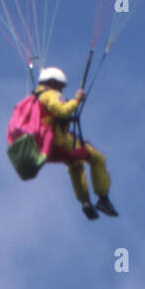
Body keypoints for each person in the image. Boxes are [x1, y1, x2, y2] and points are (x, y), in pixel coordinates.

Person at [34, 66, 117, 220]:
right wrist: (77, 100)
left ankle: (85, 202)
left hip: (45, 146)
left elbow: (53, 117)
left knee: (75, 163)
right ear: (53, 82)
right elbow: (62, 110)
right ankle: (103, 199)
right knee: (97, 158)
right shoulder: (50, 94)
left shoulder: (35, 97)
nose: (61, 90)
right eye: (60, 86)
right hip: (58, 141)